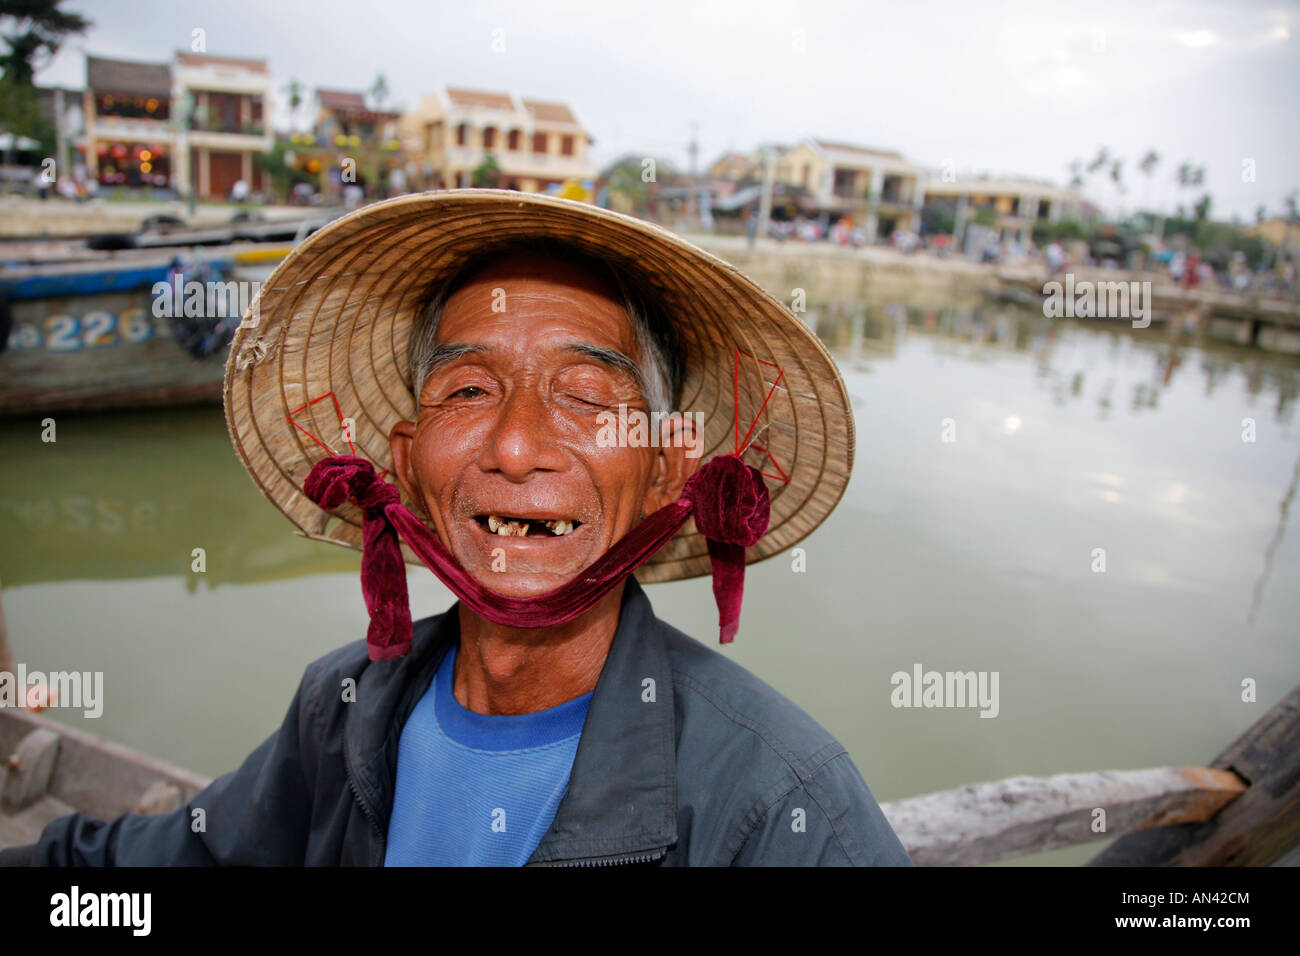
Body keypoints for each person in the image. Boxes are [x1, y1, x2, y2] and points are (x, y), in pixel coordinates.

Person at [2, 190, 912, 867]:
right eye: (468, 390)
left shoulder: (780, 811)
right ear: (403, 459)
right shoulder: (345, 706)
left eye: (589, 396)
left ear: (667, 469)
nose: (516, 446)